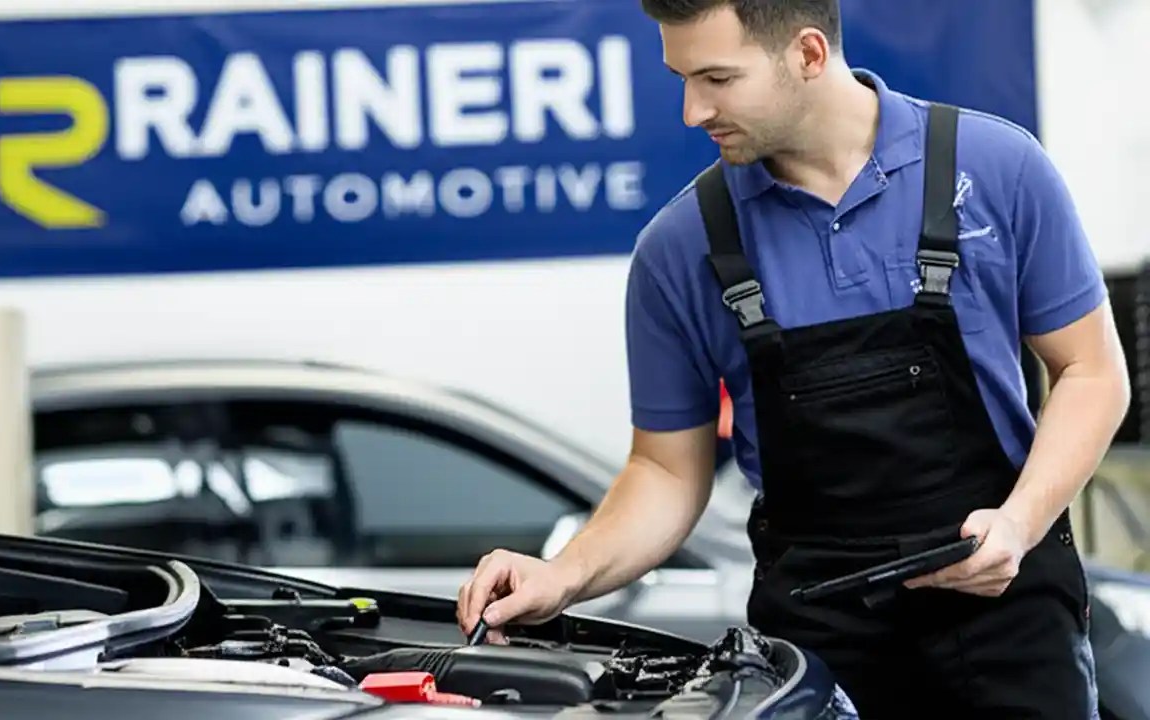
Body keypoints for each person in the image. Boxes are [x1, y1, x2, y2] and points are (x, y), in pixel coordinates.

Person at [456, 0, 1130, 716]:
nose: (693, 110)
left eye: (717, 77)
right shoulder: (679, 250)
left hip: (1012, 623)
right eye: (682, 78)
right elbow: (664, 470)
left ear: (808, 54)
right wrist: (563, 575)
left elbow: (1092, 372)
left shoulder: (999, 169)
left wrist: (1020, 522)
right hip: (819, 649)